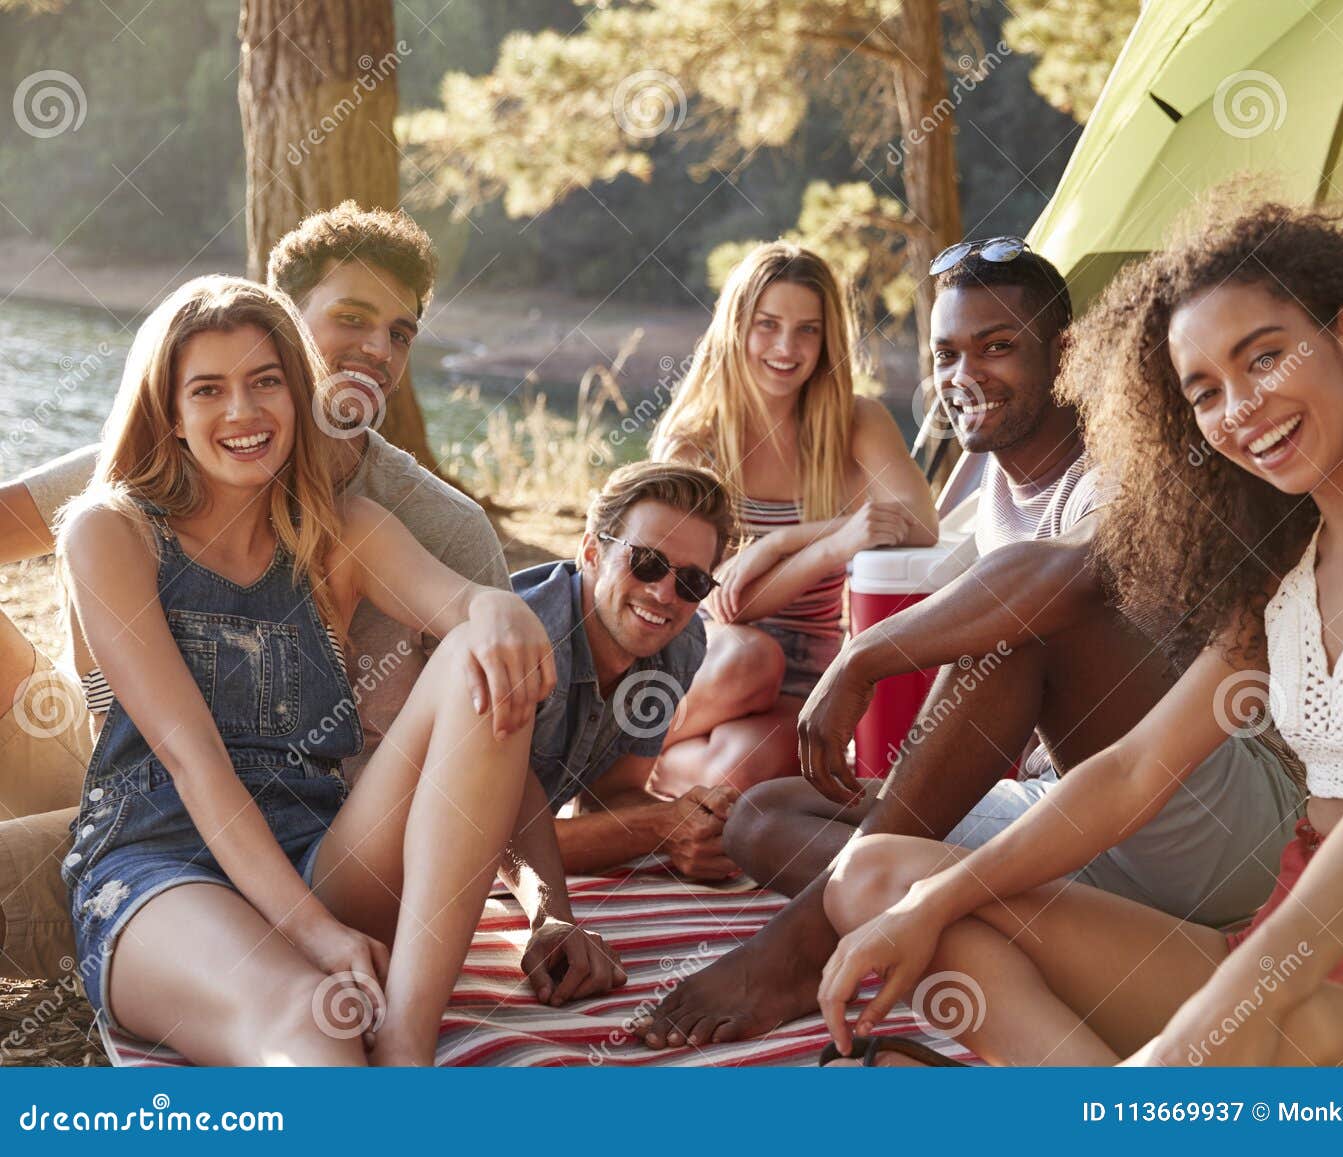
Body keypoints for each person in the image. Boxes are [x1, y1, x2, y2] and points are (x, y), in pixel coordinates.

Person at [818, 201, 1343, 1067]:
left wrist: (1207, 1024)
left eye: (1265, 357)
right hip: (1278, 963)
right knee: (876, 882)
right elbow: (1134, 771)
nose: (1241, 408)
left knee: (1254, 1034)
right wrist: (934, 902)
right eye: (1205, 391)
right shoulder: (1292, 559)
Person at [636, 239, 1302, 1049]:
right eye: (947, 353)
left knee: (1026, 628)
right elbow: (924, 566)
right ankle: (970, 911)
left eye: (996, 347)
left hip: (1206, 814)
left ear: (1065, 355)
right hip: (1067, 812)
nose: (964, 375)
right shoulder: (989, 476)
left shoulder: (1127, 458)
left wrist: (861, 657)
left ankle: (803, 942)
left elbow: (1062, 582)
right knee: (764, 816)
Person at [0, 203, 520, 985]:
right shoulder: (167, 448)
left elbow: (498, 733)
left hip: (316, 837)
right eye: (352, 317)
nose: (378, 349)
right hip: (124, 785)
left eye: (400, 332)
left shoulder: (433, 525)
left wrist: (551, 909)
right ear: (283, 318)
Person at [58, 276, 559, 1066]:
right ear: (173, 414)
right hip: (163, 861)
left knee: (477, 652)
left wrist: (495, 607)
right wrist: (319, 936)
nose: (243, 411)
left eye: (265, 382)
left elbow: (467, 607)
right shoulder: (111, 533)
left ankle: (407, 1042)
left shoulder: (339, 531)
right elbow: (193, 761)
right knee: (315, 1019)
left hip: (319, 853)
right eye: (208, 389)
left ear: (298, 395)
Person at [646, 241, 937, 794]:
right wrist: (833, 545)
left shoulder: (858, 423)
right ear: (737, 327)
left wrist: (780, 543)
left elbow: (921, 524)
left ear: (828, 340)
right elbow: (725, 601)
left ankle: (648, 771)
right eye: (768, 325)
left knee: (738, 776)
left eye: (808, 329)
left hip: (805, 677)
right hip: (710, 664)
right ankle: (618, 759)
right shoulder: (695, 444)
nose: (787, 347)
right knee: (751, 657)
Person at [500, 460, 740, 999]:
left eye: (692, 581)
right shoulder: (524, 639)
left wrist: (695, 822)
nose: (665, 595)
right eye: (647, 563)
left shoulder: (680, 645)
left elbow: (612, 795)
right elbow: (486, 841)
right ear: (590, 551)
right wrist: (661, 826)